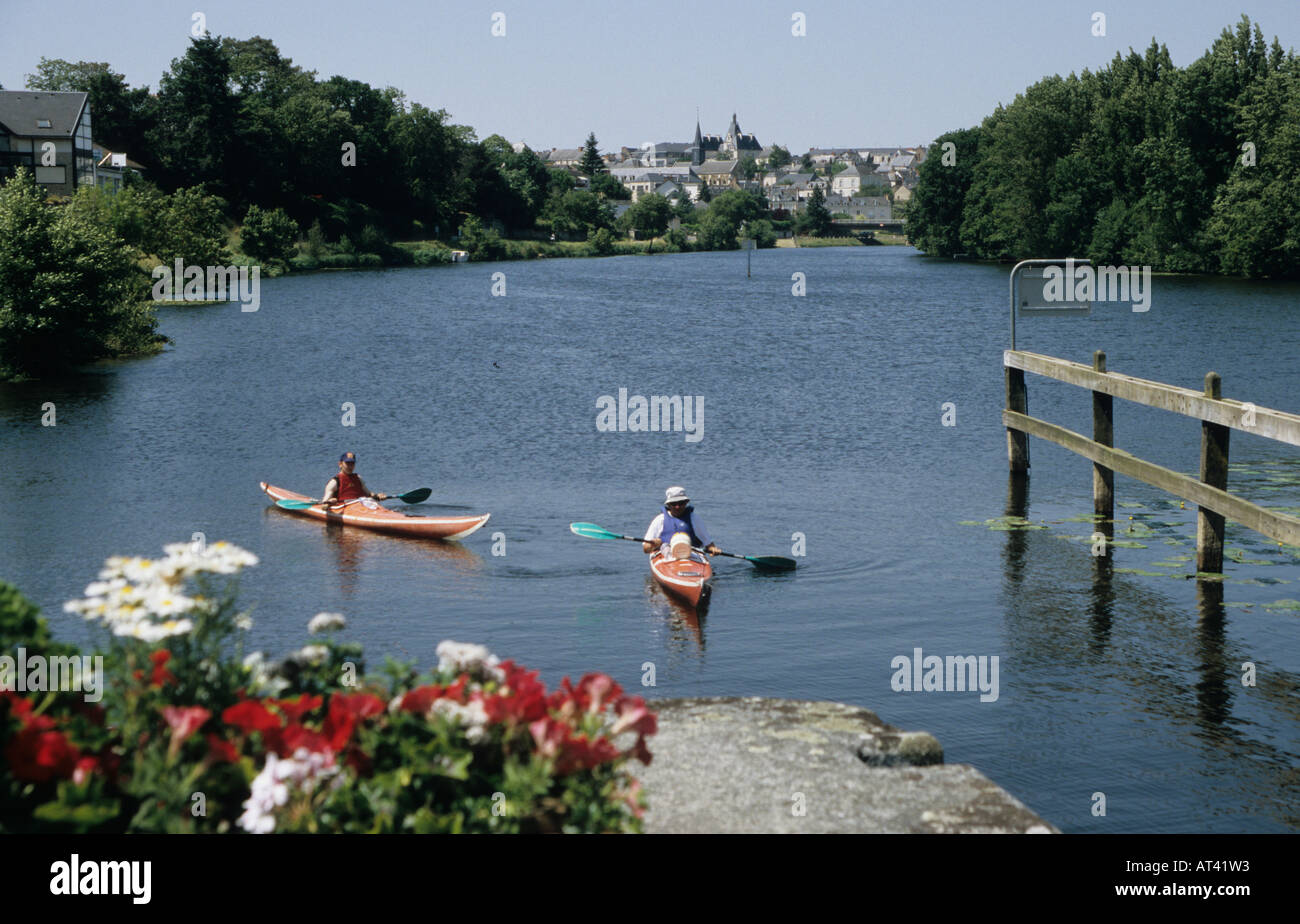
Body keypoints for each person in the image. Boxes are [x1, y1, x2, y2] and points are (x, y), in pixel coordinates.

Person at [642, 486, 721, 558]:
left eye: (681, 503)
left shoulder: (694, 518)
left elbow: (709, 545)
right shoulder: (659, 520)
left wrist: (713, 550)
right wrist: (654, 544)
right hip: (666, 555)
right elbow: (646, 549)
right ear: (668, 505)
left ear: (686, 502)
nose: (677, 507)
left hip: (691, 555)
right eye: (674, 504)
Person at [320, 452, 388, 506]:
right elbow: (324, 503)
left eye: (352, 463)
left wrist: (378, 496)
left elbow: (369, 494)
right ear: (340, 464)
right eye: (347, 463)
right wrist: (330, 501)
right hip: (344, 507)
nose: (350, 466)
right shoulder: (334, 482)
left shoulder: (358, 478)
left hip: (361, 506)